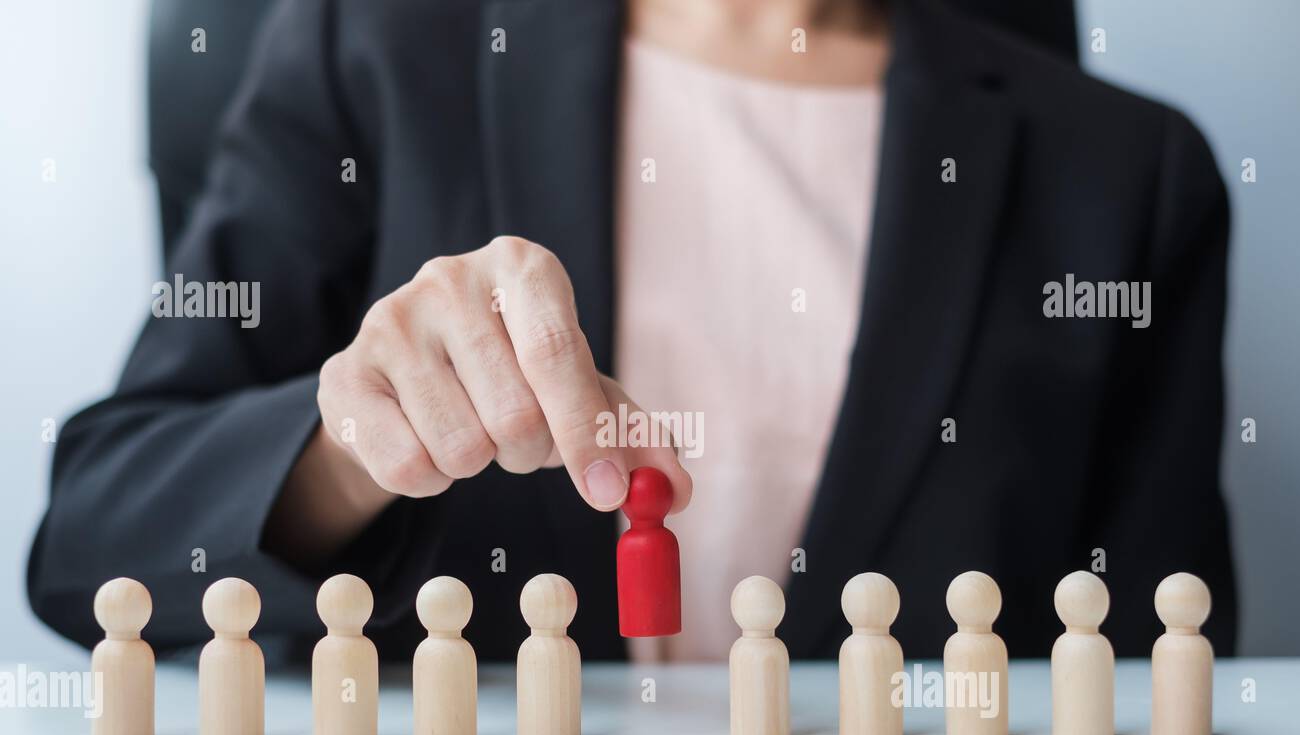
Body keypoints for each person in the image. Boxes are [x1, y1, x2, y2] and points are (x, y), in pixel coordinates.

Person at [27, 0, 1236, 662]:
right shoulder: (379, 42)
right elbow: (90, 538)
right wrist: (352, 450)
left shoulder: (1127, 172)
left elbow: (1167, 668)